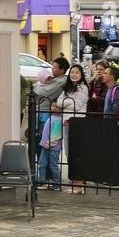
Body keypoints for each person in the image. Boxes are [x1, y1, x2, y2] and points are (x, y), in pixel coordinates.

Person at [32, 57, 69, 186]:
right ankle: (45, 177)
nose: (52, 69)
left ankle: (50, 178)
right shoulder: (55, 79)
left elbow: (43, 91)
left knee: (46, 145)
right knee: (41, 145)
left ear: (62, 70)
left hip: (47, 114)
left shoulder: (61, 81)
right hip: (43, 113)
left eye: (54, 67)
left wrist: (37, 87)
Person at [61, 64, 90, 192]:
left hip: (78, 123)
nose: (74, 74)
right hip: (66, 123)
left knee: (77, 154)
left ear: (81, 75)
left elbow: (77, 105)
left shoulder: (83, 88)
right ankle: (75, 181)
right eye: (72, 72)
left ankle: (80, 184)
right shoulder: (67, 88)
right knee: (69, 153)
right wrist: (67, 102)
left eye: (77, 72)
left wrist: (65, 103)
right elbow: (58, 101)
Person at [103, 65, 119, 186]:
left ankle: (118, 178)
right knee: (114, 151)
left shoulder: (116, 89)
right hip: (111, 125)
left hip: (115, 125)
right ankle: (114, 177)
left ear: (112, 76)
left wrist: (111, 123)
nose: (103, 74)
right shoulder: (109, 89)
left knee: (117, 151)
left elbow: (116, 108)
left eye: (106, 73)